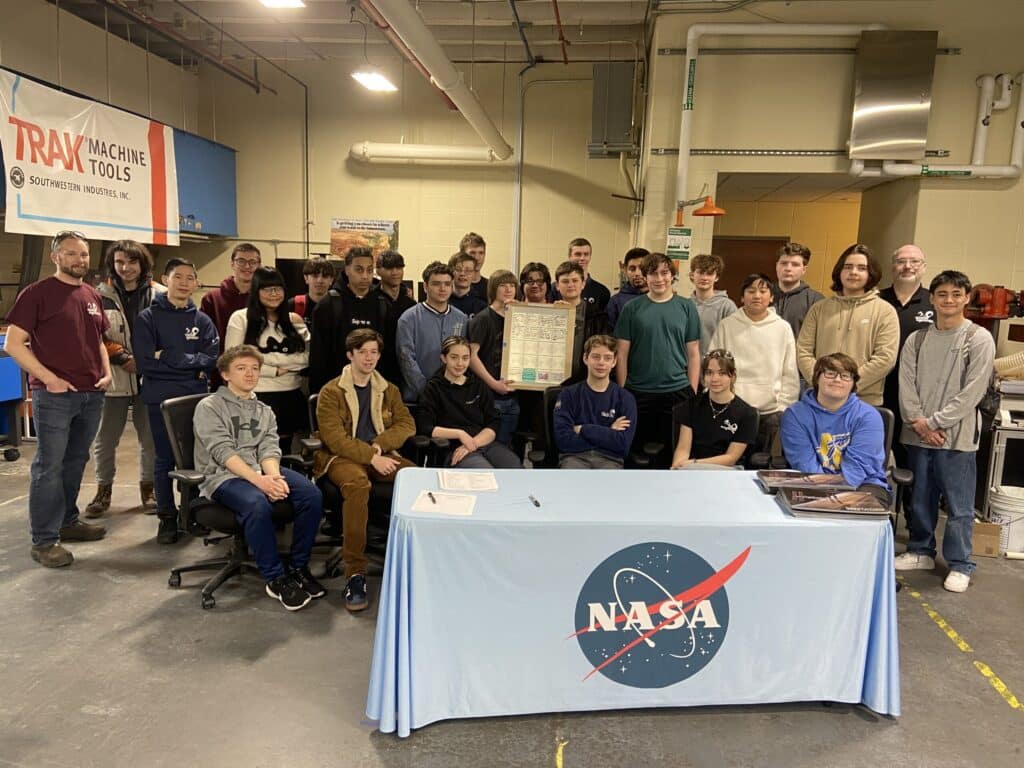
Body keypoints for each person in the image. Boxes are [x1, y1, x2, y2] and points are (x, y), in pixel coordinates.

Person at [4, 231, 112, 567]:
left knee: (75, 461)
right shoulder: (36, 294)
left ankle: (67, 522)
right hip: (54, 397)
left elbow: (97, 340)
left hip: (91, 393)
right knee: (48, 467)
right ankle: (44, 540)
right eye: (71, 254)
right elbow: (13, 343)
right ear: (55, 257)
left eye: (83, 254)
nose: (79, 260)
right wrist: (50, 379)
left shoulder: (91, 294)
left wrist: (106, 372)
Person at [194, 345, 325, 612]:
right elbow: (222, 451)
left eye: (255, 368)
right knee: (257, 503)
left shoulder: (263, 409)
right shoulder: (209, 406)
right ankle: (275, 577)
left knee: (311, 494)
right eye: (241, 369)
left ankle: (298, 567)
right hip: (222, 476)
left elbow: (269, 447)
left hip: (260, 469)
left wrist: (274, 478)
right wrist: (260, 482)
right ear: (225, 374)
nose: (250, 374)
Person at [896, 271, 995, 593]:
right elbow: (906, 384)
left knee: (959, 506)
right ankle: (921, 550)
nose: (949, 300)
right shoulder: (918, 339)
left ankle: (960, 563)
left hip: (956, 438)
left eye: (956, 294)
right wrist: (919, 422)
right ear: (933, 299)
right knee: (920, 500)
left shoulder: (977, 338)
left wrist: (935, 423)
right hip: (918, 434)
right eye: (942, 294)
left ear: (966, 298)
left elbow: (973, 391)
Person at [313, 329, 415, 612]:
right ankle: (355, 573)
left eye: (374, 352)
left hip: (379, 453)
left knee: (418, 479)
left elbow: (407, 425)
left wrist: (380, 446)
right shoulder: (331, 392)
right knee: (359, 486)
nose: (369, 358)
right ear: (350, 355)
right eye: (362, 352)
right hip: (342, 458)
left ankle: (417, 558)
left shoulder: (388, 389)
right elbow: (335, 440)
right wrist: (371, 457)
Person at [135, 258, 220, 544]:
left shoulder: (203, 320)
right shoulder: (148, 318)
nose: (184, 282)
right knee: (165, 460)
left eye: (190, 277)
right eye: (178, 277)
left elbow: (210, 360)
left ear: (196, 282)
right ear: (165, 279)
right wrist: (189, 364)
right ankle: (167, 517)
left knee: (196, 458)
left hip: (196, 398)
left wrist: (169, 356)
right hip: (160, 399)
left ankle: (194, 512)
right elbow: (146, 362)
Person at [85, 240, 166, 519]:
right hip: (114, 380)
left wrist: (143, 362)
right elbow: (93, 335)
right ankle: (103, 490)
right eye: (120, 262)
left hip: (151, 380)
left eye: (132, 262)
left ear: (142, 263)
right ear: (112, 264)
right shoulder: (97, 296)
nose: (126, 268)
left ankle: (149, 489)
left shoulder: (161, 295)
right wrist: (121, 357)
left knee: (151, 439)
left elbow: (169, 336)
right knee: (106, 439)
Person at [614, 252, 701, 466]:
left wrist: (693, 391)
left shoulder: (686, 307)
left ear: (672, 275)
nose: (659, 279)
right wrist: (624, 390)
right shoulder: (632, 308)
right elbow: (622, 353)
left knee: (673, 455)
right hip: (638, 391)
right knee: (635, 454)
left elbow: (693, 352)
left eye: (664, 273)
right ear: (646, 277)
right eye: (653, 274)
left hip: (677, 391)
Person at [796, 244, 899, 406]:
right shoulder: (819, 308)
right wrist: (822, 383)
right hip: (818, 399)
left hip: (863, 401)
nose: (854, 272)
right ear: (839, 271)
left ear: (870, 273)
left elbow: (885, 358)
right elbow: (803, 351)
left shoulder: (885, 311)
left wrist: (847, 385)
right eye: (848, 267)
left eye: (861, 268)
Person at [710, 273, 799, 459]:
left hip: (770, 412)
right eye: (751, 291)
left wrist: (784, 406)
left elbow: (789, 371)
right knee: (729, 463)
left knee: (762, 464)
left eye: (763, 291)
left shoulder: (782, 328)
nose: (757, 296)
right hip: (733, 409)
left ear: (771, 297)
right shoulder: (728, 325)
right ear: (742, 297)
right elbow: (714, 365)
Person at [224, 267, 310, 454]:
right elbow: (234, 361)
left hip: (290, 396)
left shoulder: (294, 320)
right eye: (267, 289)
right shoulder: (240, 319)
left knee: (285, 454)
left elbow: (307, 358)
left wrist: (261, 359)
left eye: (278, 288)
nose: (274, 294)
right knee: (254, 454)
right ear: (256, 291)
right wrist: (274, 370)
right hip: (255, 397)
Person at [780, 353, 889, 494]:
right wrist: (824, 491)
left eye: (845, 376)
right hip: (812, 482)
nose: (838, 379)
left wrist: (834, 494)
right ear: (817, 378)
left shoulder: (868, 417)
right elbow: (804, 463)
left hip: (864, 483)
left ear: (853, 384)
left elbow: (858, 468)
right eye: (830, 373)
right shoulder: (795, 415)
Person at [416, 336, 522, 469]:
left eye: (465, 358)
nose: (460, 363)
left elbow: (493, 423)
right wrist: (460, 434)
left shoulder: (478, 385)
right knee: (483, 473)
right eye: (454, 357)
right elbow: (426, 428)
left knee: (514, 466)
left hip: (482, 443)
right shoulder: (433, 388)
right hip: (452, 448)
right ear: (444, 358)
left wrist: (473, 444)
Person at [308, 246, 391, 394]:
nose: (365, 276)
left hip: (373, 391)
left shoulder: (382, 304)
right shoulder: (328, 304)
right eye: (359, 270)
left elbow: (388, 354)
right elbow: (318, 358)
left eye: (369, 270)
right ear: (347, 270)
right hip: (336, 391)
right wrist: (320, 395)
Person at [879, 244, 933, 468]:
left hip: (918, 394)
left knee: (912, 460)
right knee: (876, 451)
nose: (907, 266)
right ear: (893, 267)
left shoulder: (934, 302)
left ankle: (911, 503)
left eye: (914, 262)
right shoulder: (877, 300)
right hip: (881, 389)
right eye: (901, 261)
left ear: (924, 267)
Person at [553, 335, 637, 468]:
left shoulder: (625, 399)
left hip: (610, 460)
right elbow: (564, 441)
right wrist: (609, 432)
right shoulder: (568, 395)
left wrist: (583, 429)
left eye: (607, 358)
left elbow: (622, 445)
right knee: (572, 483)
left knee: (608, 486)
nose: (601, 363)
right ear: (586, 358)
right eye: (596, 357)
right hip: (574, 458)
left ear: (614, 362)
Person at [670, 350, 758, 469]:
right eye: (709, 373)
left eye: (721, 373)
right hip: (692, 471)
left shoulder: (747, 414)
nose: (714, 379)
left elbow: (731, 458)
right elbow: (683, 449)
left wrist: (695, 463)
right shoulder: (690, 406)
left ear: (732, 375)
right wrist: (678, 467)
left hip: (727, 472)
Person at [397, 261, 467, 402]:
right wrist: (427, 390)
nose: (442, 289)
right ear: (425, 287)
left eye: (447, 284)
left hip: (452, 397)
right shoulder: (409, 318)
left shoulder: (461, 318)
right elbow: (406, 359)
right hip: (418, 397)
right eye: (436, 284)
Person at [468, 270, 521, 445]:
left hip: (514, 394)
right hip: (491, 396)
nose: (508, 289)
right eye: (502, 285)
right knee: (494, 448)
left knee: (509, 448)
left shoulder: (518, 317)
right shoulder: (483, 319)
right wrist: (494, 384)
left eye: (512, 285)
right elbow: (472, 356)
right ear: (493, 289)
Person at [553, 261, 610, 382]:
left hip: (585, 381)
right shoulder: (549, 314)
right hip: (554, 379)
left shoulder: (598, 316)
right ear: (557, 285)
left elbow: (604, 350)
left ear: (583, 284)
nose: (570, 285)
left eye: (575, 280)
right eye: (565, 281)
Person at [201, 243, 261, 353]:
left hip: (256, 365)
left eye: (252, 262)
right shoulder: (212, 298)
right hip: (219, 365)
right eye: (241, 261)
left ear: (259, 266)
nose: (247, 266)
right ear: (232, 264)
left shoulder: (263, 299)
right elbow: (203, 336)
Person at [375, 249, 416, 390]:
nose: (395, 272)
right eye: (389, 268)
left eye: (399, 267)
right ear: (378, 270)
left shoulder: (410, 304)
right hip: (376, 366)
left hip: (403, 369)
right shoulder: (370, 300)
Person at [774, 242, 824, 340]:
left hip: (799, 355)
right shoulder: (763, 296)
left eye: (795, 265)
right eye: (784, 263)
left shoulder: (816, 301)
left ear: (804, 270)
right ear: (777, 266)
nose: (788, 268)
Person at [689, 253, 737, 355]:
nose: (705, 277)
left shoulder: (727, 306)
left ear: (717, 277)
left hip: (717, 367)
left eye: (710, 273)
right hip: (688, 365)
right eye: (701, 272)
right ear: (692, 275)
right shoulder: (685, 305)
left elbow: (733, 340)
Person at [552, 238, 611, 311]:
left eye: (586, 254)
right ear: (570, 256)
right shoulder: (553, 289)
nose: (582, 258)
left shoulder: (602, 291)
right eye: (578, 254)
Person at [287, 257, 335, 330]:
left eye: (325, 276)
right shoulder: (293, 305)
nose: (320, 280)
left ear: (331, 280)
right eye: (315, 276)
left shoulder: (339, 306)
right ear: (306, 278)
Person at [606, 247, 649, 329]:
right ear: (625, 270)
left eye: (642, 268)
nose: (637, 273)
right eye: (632, 269)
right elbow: (610, 336)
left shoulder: (661, 298)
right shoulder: (615, 302)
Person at [449, 251, 489, 317]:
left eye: (468, 270)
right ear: (451, 272)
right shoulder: (442, 300)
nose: (462, 274)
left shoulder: (481, 305)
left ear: (474, 274)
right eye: (458, 269)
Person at [460, 232, 489, 301]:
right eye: (472, 253)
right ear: (462, 255)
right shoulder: (451, 285)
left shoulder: (490, 286)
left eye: (481, 253)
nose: (477, 258)